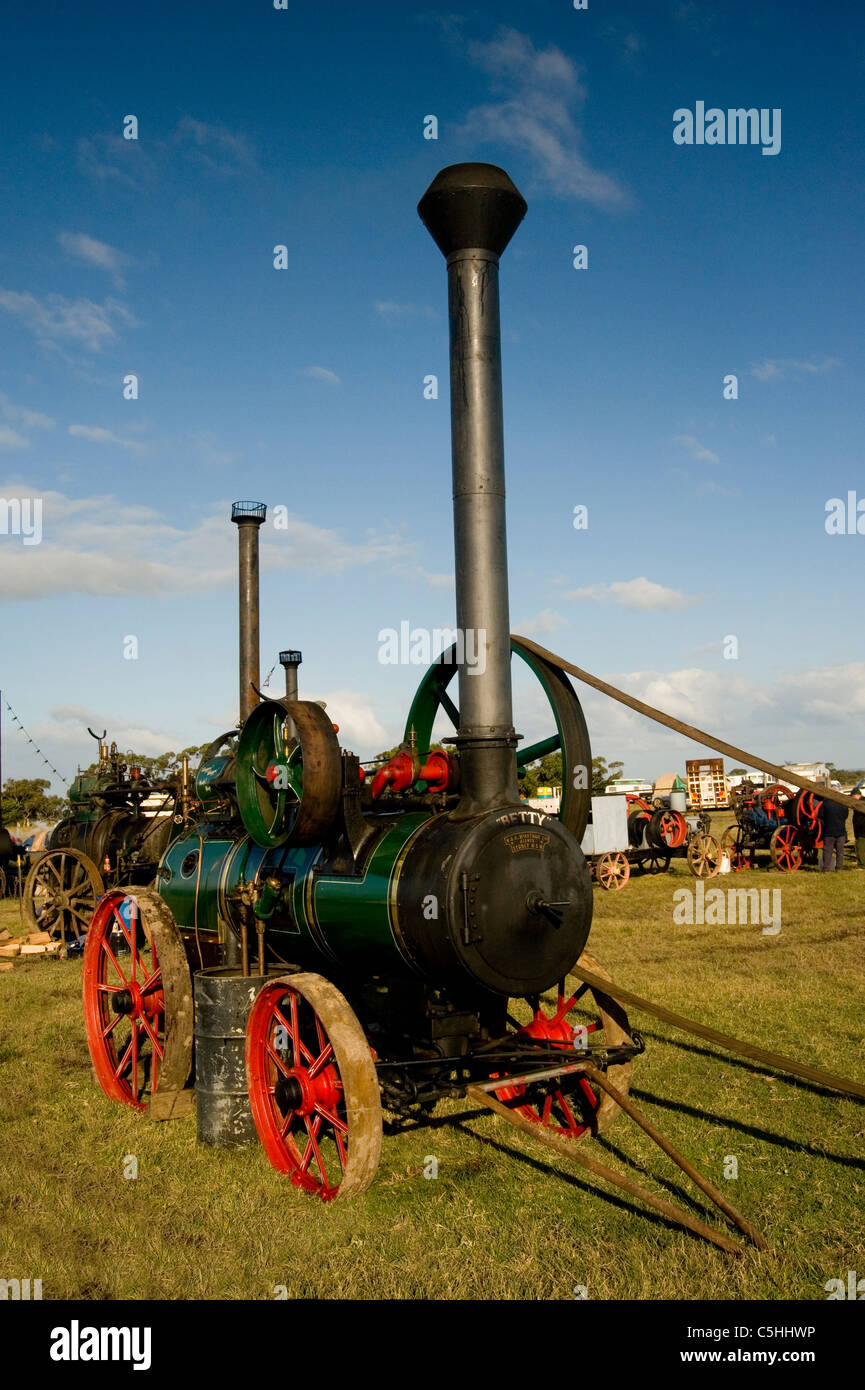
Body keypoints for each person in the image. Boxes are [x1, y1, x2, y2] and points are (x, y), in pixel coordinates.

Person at [819, 793, 847, 871]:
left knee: (828, 850)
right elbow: (846, 815)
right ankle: (839, 867)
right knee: (840, 851)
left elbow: (821, 815)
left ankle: (826, 868)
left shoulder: (826, 803)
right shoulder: (843, 804)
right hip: (841, 830)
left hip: (829, 831)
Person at [852, 793, 865, 869]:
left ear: (856, 795)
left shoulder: (859, 805)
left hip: (861, 830)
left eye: (853, 796)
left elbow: (858, 820)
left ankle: (862, 865)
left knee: (860, 848)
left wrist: (857, 831)